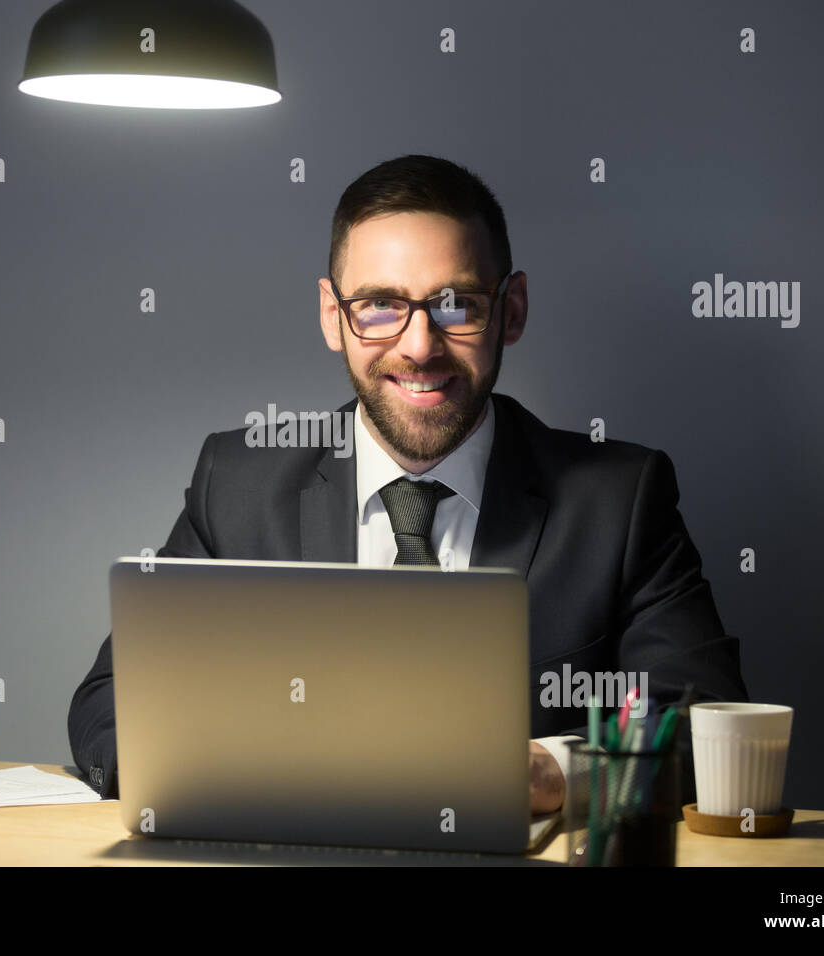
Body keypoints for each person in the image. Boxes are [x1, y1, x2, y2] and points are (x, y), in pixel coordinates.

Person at [68, 154, 747, 812]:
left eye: (456, 304)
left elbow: (705, 726)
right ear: (334, 317)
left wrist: (557, 771)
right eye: (380, 306)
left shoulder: (620, 498)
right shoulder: (236, 485)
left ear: (512, 310)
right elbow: (110, 702)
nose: (419, 345)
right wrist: (238, 773)